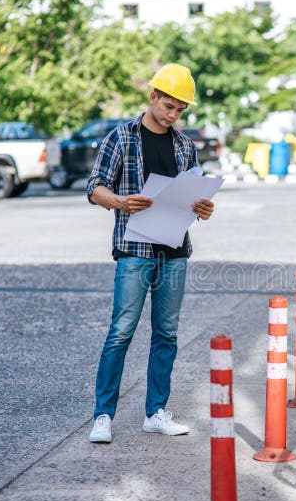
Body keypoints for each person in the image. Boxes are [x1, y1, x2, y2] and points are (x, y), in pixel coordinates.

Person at [86, 63, 214, 443]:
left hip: (174, 250)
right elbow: (94, 188)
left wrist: (204, 209)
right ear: (153, 96)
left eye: (180, 110)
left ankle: (155, 412)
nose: (173, 115)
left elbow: (194, 196)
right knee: (120, 332)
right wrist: (122, 202)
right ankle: (103, 416)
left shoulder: (185, 146)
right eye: (168, 106)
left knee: (167, 335)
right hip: (135, 250)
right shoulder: (122, 138)